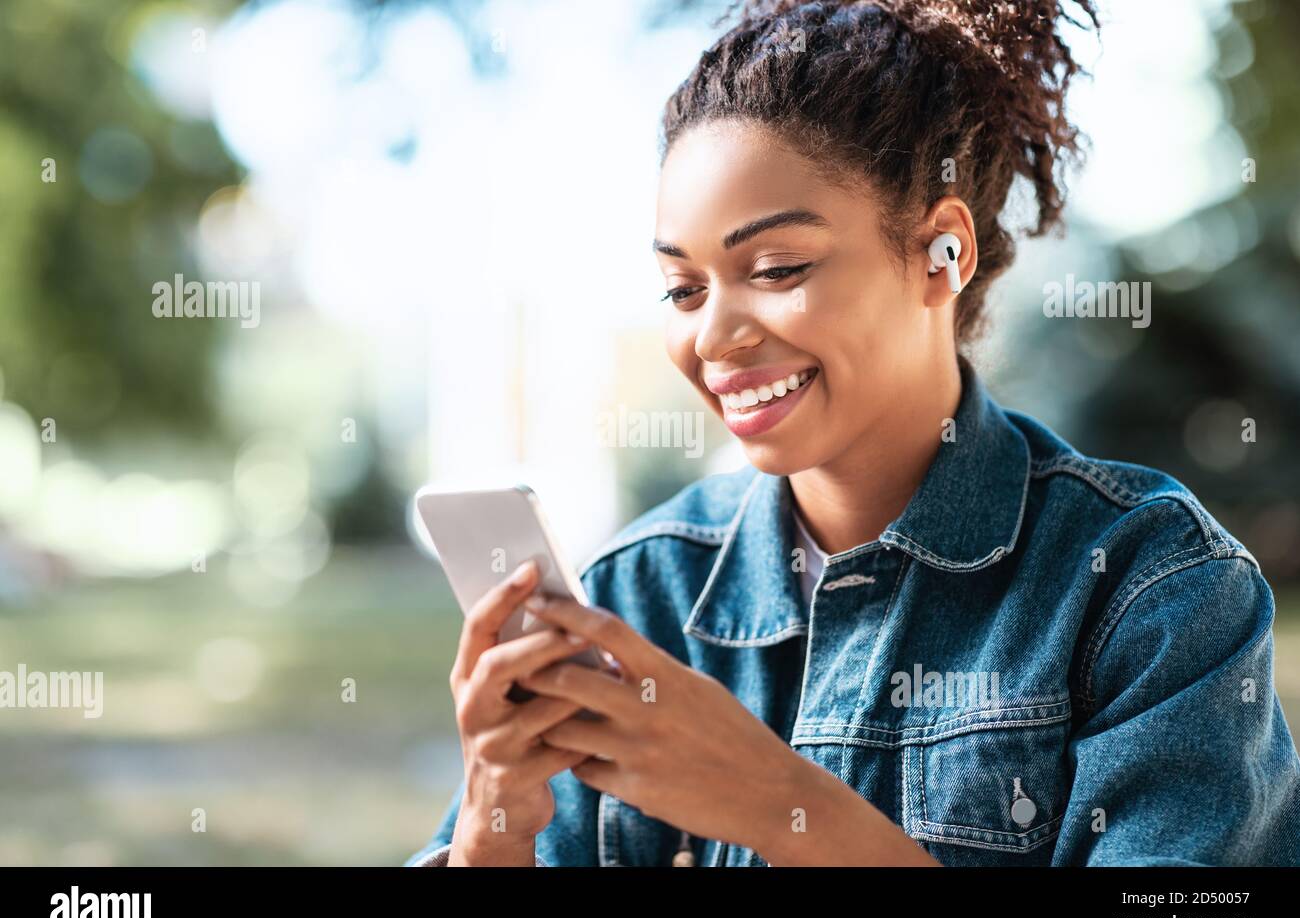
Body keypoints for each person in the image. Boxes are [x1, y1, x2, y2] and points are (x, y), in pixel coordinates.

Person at [407, 0, 1300, 866]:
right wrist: (495, 825)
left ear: (942, 253)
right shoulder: (638, 599)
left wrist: (782, 808)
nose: (714, 337)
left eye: (776, 267)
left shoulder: (1152, 588)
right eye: (684, 289)